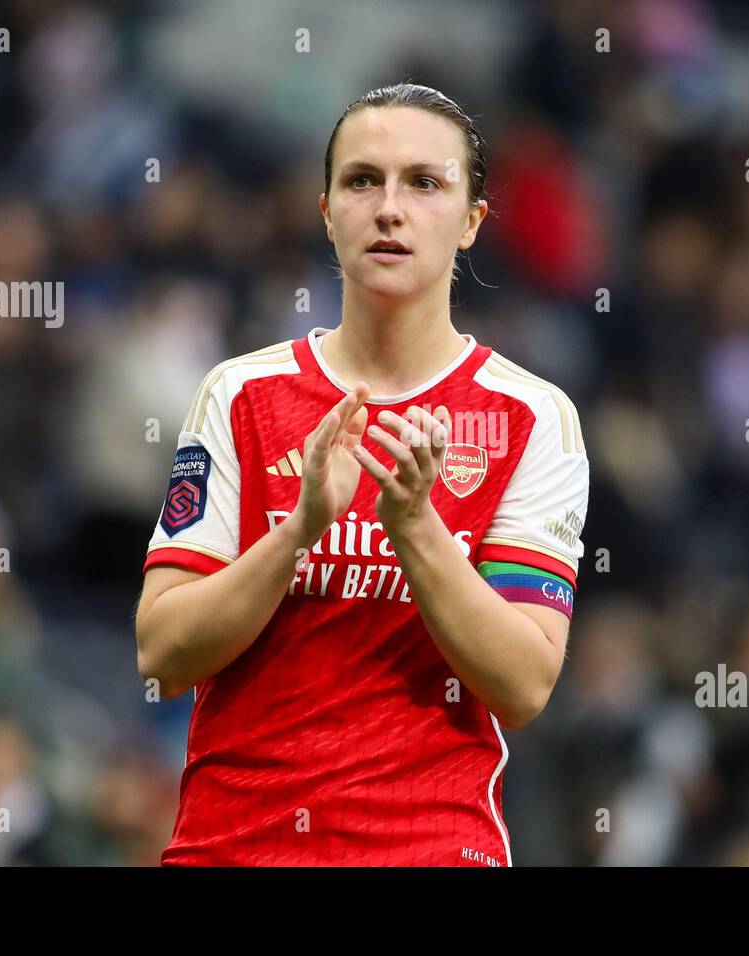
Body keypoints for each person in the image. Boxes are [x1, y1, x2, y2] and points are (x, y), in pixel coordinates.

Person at [135, 83, 589, 866]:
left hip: (429, 845)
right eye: (361, 180)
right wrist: (299, 532)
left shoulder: (531, 418)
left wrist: (416, 529)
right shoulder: (243, 394)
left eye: (425, 182)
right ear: (326, 211)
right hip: (234, 845)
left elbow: (522, 684)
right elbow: (163, 654)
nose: (389, 208)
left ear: (473, 222)